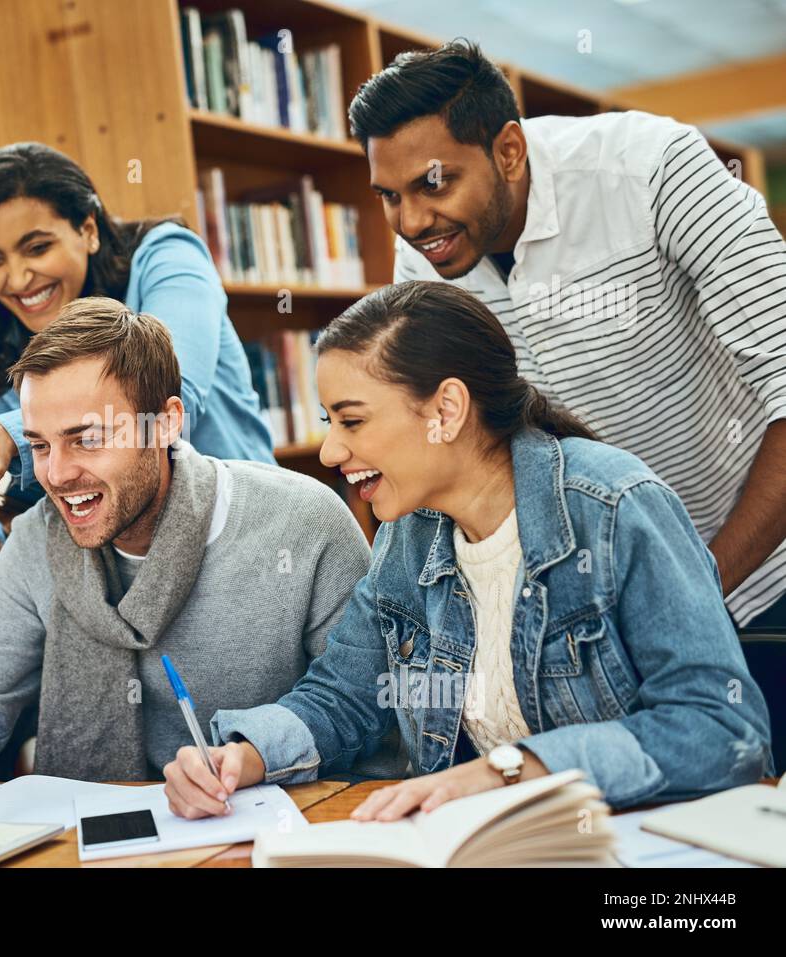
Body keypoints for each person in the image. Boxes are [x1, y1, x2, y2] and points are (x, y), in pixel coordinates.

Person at [163, 281, 773, 821]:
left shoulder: (616, 507)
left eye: (351, 421)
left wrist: (507, 770)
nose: (329, 452)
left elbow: (723, 731)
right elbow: (347, 694)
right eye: (328, 421)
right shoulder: (410, 533)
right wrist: (242, 757)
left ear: (446, 411)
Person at [348, 40, 786, 629]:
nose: (412, 222)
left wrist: (695, 591)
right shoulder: (426, 259)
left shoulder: (653, 168)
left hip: (764, 568)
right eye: (389, 197)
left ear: (508, 151)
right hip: (610, 610)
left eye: (435, 184)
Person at [0, 297, 381, 810]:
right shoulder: (37, 539)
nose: (56, 475)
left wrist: (251, 751)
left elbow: (358, 702)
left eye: (88, 439)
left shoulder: (302, 522)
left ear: (166, 422)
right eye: (39, 446)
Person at [0, 141, 275, 536]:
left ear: (87, 229)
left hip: (240, 528)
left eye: (37, 248)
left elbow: (173, 392)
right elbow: (22, 512)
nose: (17, 279)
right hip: (111, 563)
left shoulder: (166, 256)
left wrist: (9, 435)